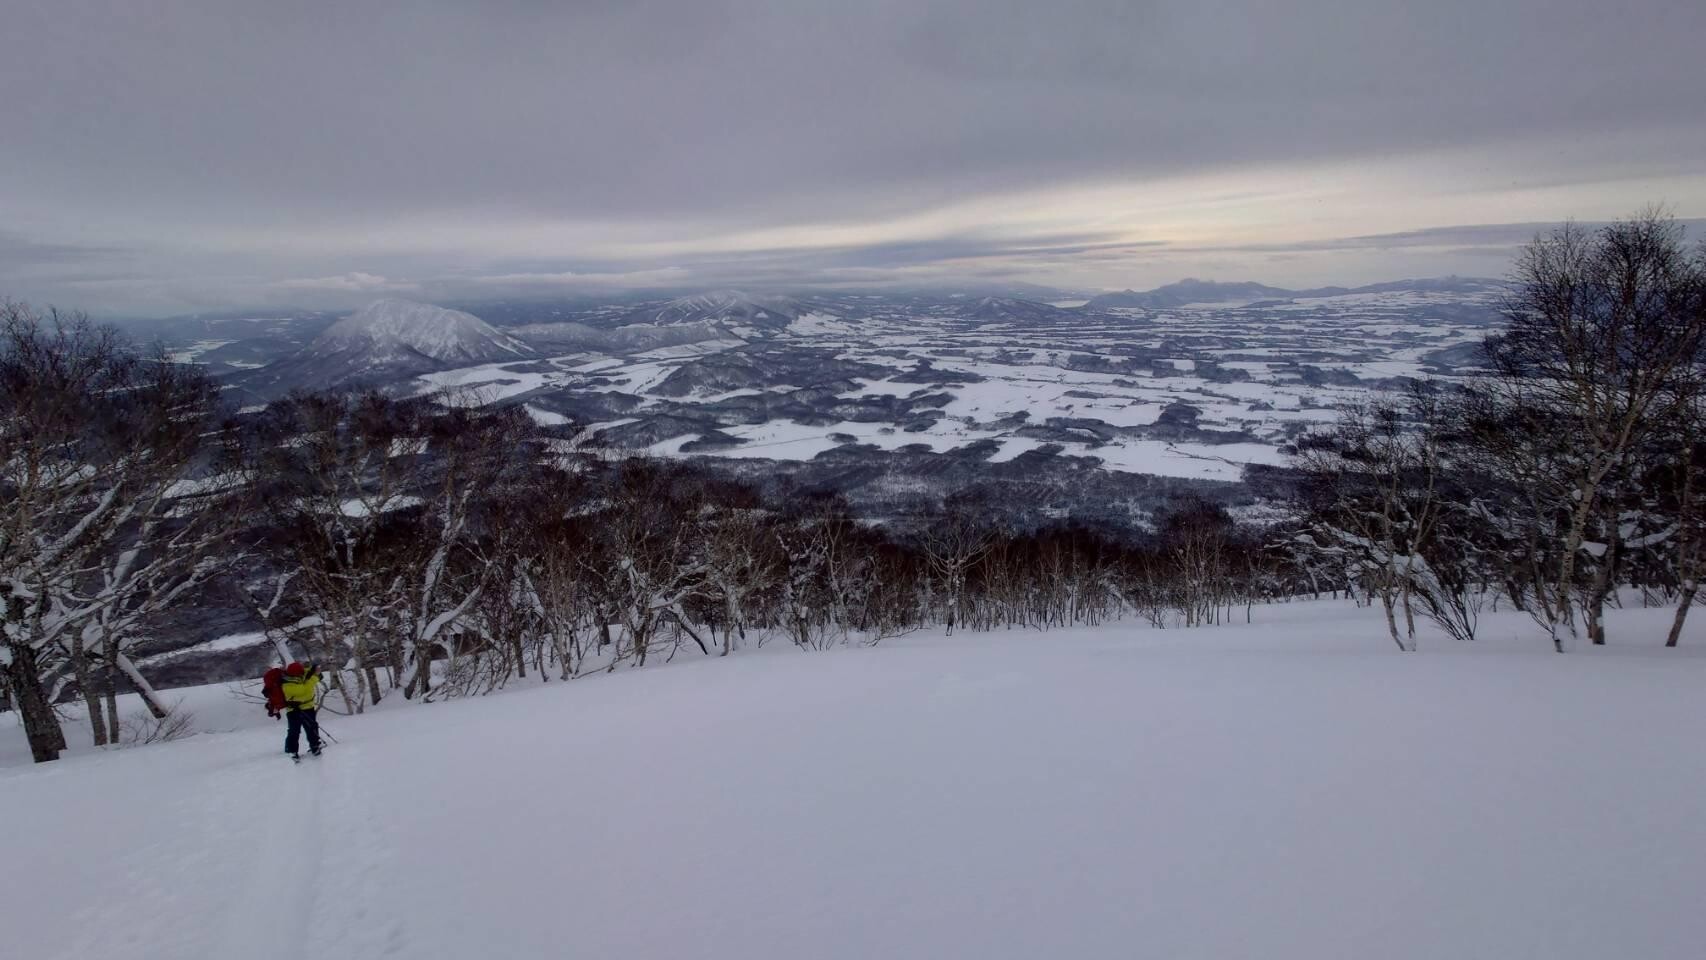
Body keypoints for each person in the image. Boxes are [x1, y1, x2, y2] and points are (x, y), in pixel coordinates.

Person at [279, 661, 323, 759]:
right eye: (300, 673)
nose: (302, 674)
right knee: (295, 730)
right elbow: (304, 690)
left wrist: (315, 671)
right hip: (294, 710)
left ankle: (315, 746)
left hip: (307, 707)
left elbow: (310, 672)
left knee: (311, 727)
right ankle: (292, 751)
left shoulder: (302, 674)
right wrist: (315, 677)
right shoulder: (287, 684)